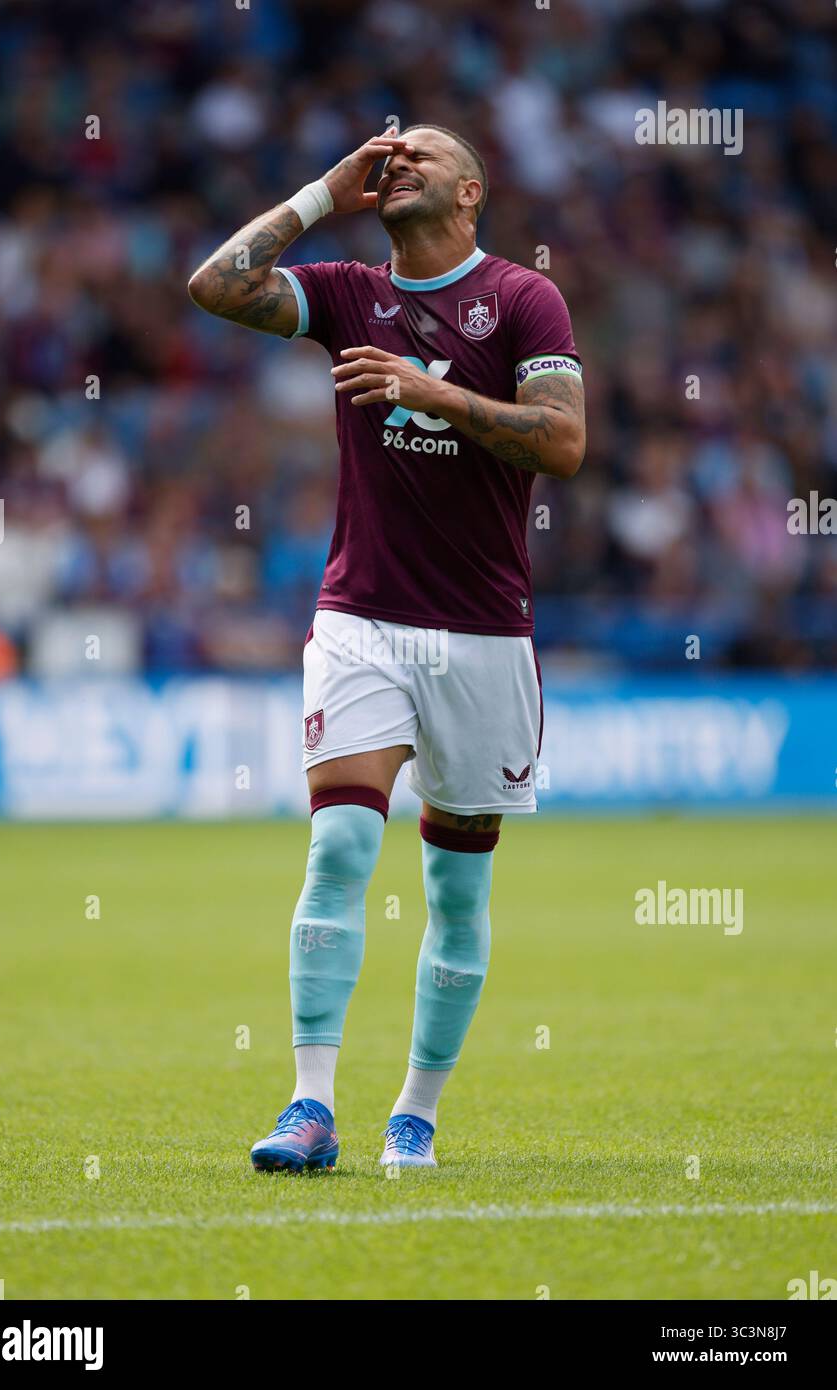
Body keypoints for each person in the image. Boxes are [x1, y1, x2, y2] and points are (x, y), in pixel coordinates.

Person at [188, 125, 585, 1170]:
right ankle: (309, 1107)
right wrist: (321, 191)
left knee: (456, 892)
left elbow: (564, 440)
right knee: (341, 848)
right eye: (387, 154)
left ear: (472, 188)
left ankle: (416, 1110)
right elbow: (216, 285)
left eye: (423, 154)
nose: (399, 160)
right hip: (360, 619)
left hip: (485, 636)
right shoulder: (352, 290)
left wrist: (436, 393)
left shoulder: (523, 299)